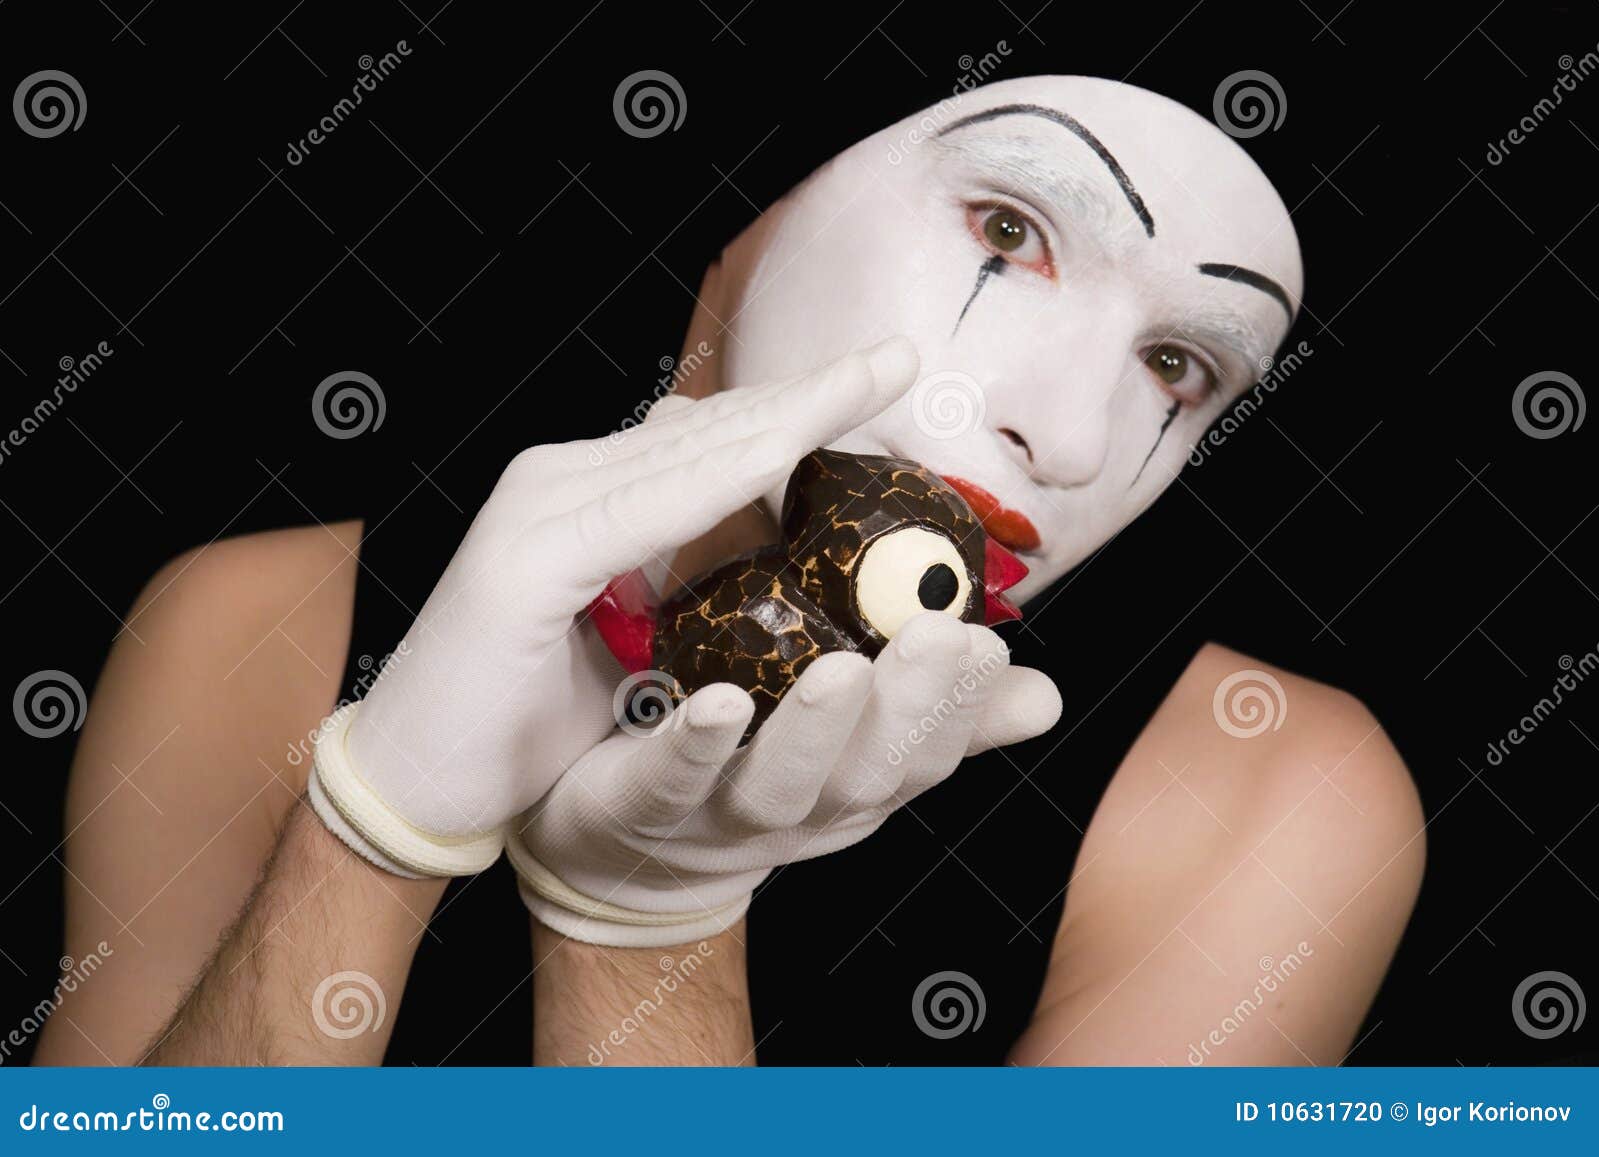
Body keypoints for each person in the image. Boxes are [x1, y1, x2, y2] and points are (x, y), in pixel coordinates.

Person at [34, 76, 1422, 1067]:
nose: (1064, 436)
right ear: (764, 196)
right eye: (1008, 231)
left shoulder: (1270, 792)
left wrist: (647, 928)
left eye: (1177, 365)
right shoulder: (255, 626)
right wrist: (373, 833)